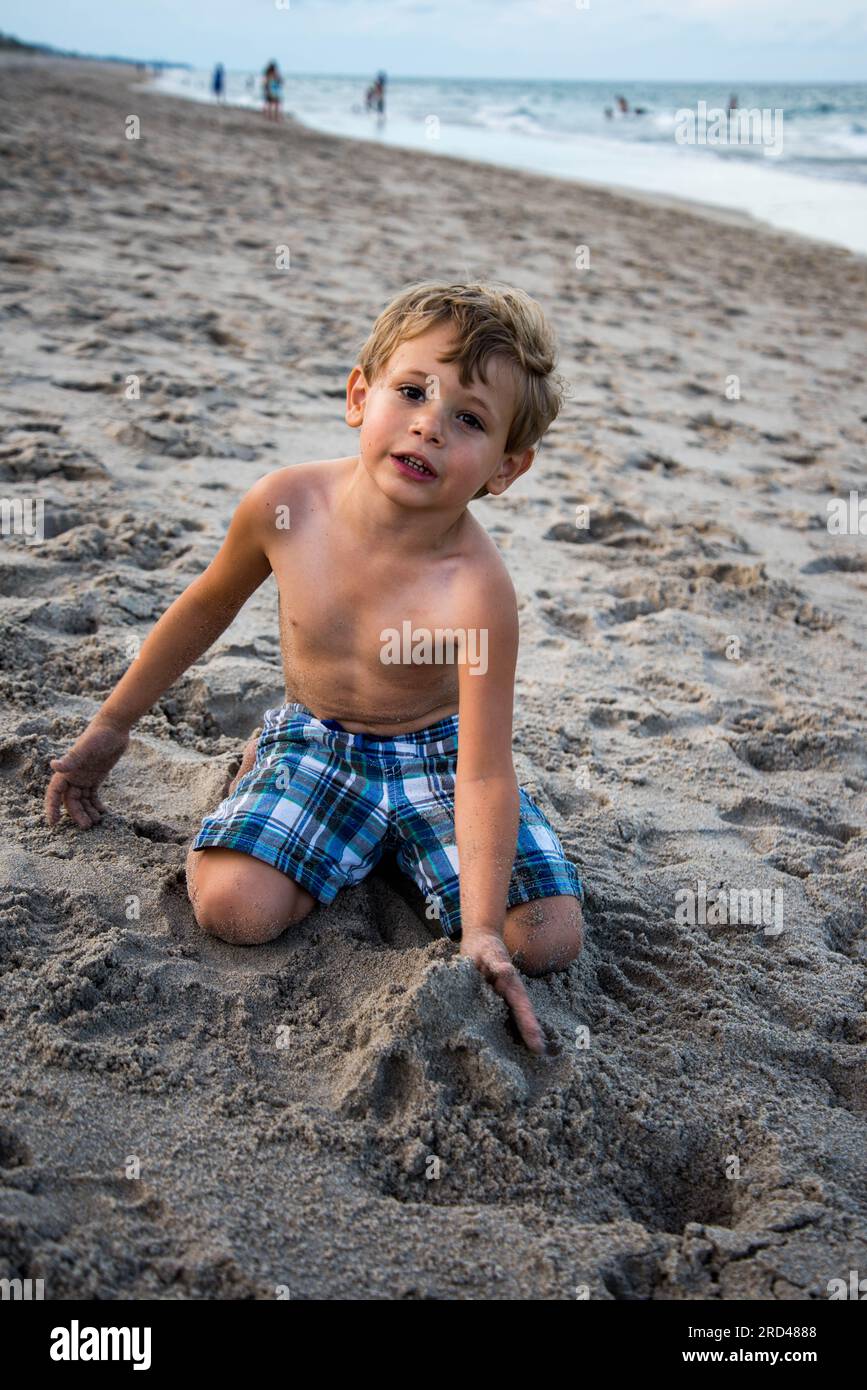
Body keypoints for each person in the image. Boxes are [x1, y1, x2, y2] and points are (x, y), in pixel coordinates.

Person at [43, 280, 586, 1057]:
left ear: (505, 467)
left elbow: (485, 774)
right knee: (236, 911)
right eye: (411, 392)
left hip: (440, 758)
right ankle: (271, 799)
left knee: (543, 937)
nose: (429, 426)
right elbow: (202, 611)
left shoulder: (476, 590)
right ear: (359, 396)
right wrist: (111, 728)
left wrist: (477, 937)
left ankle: (398, 857)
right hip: (320, 743)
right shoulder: (287, 506)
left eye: (468, 420)